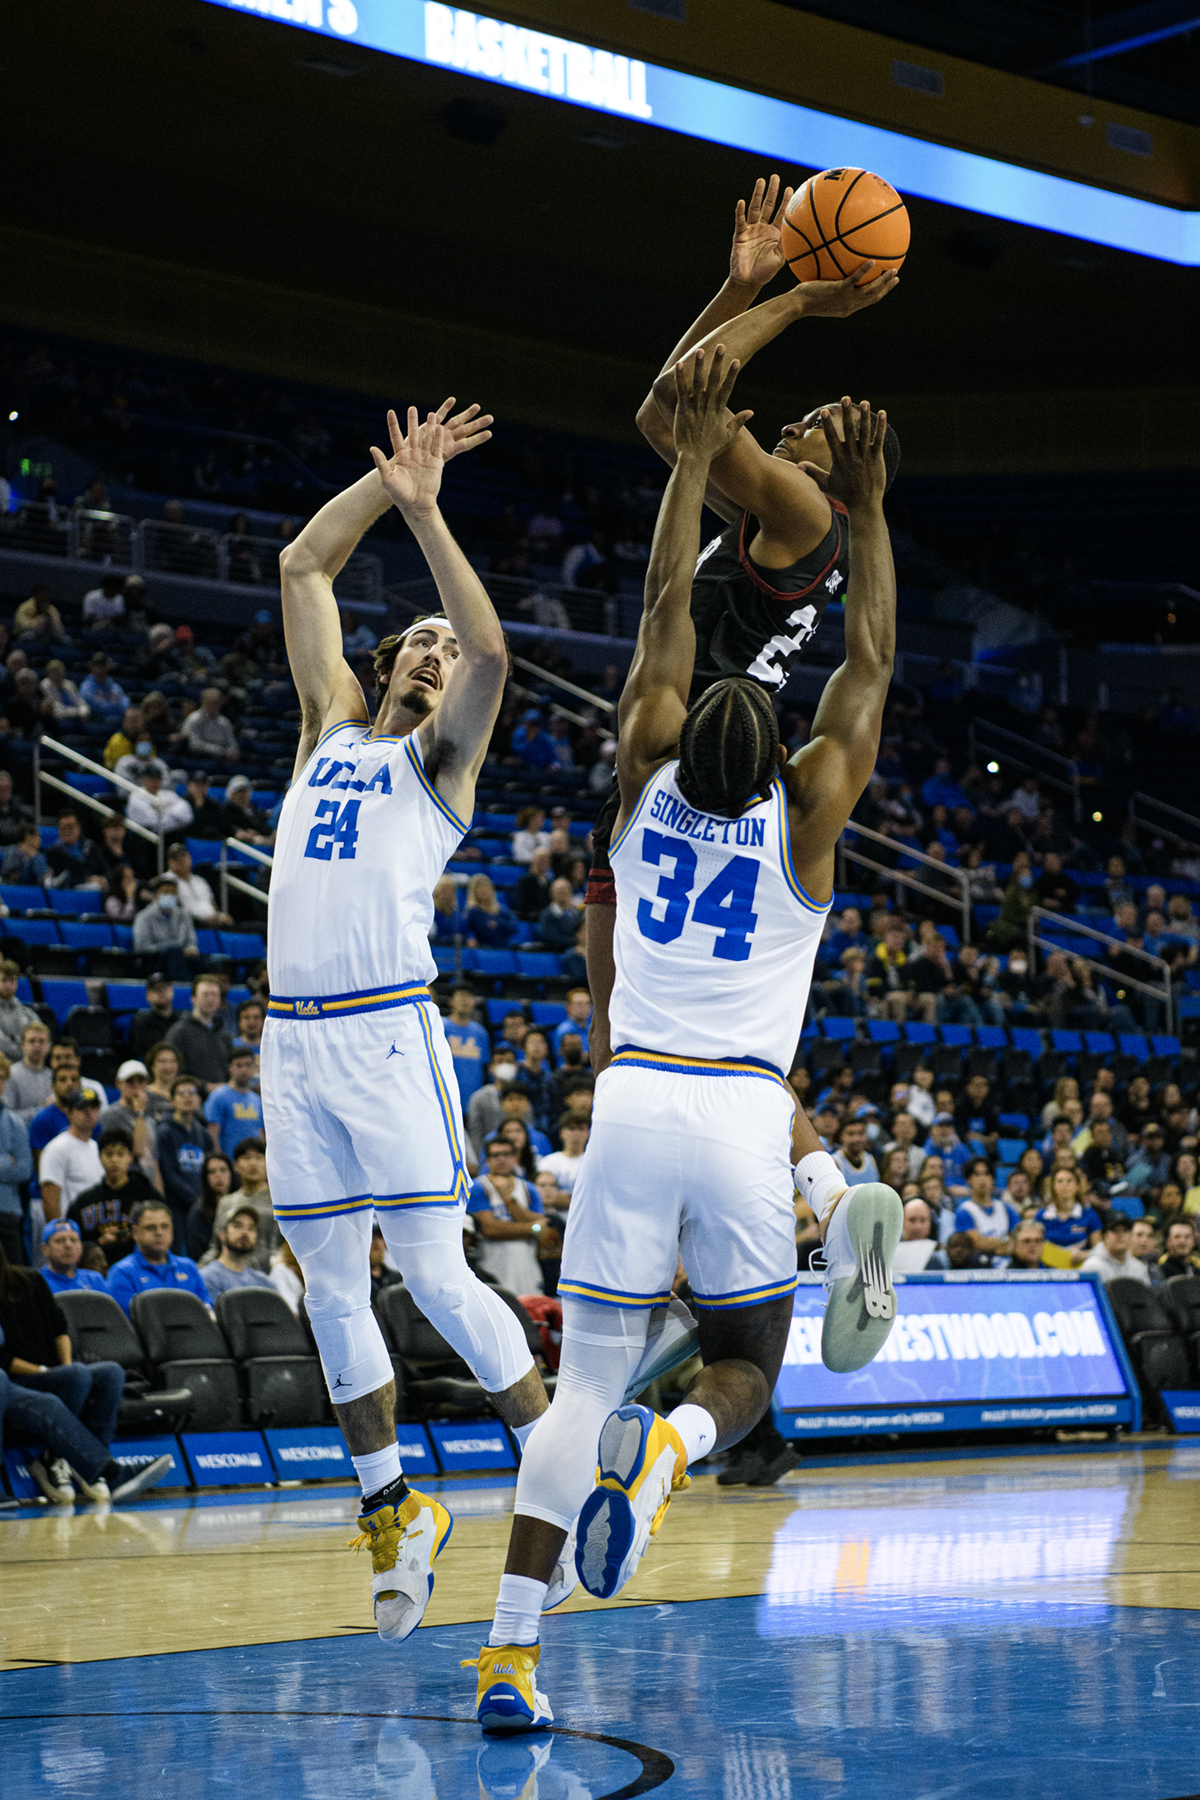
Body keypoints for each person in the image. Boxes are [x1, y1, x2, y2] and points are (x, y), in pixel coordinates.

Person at [467, 360, 902, 1731]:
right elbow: (871, 660)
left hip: (631, 1108)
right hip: (739, 1118)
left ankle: (511, 1657)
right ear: (783, 752)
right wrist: (872, 513)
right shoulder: (810, 821)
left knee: (574, 1390)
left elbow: (666, 612)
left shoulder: (638, 788)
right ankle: (672, 1451)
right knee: (748, 1364)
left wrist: (685, 463)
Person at [264, 398, 551, 1646]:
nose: (437, 651)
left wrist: (432, 519)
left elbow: (494, 653)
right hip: (291, 1039)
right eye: (418, 640)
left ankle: (558, 1455)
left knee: (433, 1276)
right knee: (328, 1282)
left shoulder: (440, 769)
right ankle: (395, 1511)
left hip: (386, 1034)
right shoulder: (325, 728)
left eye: (441, 646)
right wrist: (388, 484)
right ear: (384, 663)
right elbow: (302, 565)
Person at [0, 1242, 170, 1504]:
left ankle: (83, 1460)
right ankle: (105, 1472)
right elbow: (4, 1359)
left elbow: (59, 1327)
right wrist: (51, 1371)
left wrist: (64, 1366)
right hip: (16, 1377)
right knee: (73, 1379)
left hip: (51, 1373)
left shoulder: (30, 1279)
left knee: (111, 1372)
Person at [466, 1137, 555, 1295]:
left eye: (507, 1154)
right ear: (487, 1160)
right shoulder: (478, 1187)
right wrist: (531, 1228)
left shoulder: (529, 1189)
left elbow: (544, 1233)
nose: (501, 1159)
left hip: (526, 1267)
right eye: (495, 1155)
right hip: (492, 1265)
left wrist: (509, 1201)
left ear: (515, 1158)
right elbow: (489, 1230)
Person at [68, 1129, 157, 1270]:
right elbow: (73, 1243)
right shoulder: (84, 1201)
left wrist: (132, 1237)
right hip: (97, 1271)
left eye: (120, 1154)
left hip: (141, 1268)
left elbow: (160, 1236)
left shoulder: (148, 1196)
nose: (114, 1160)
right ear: (100, 1157)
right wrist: (98, 1243)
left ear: (130, 1157)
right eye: (108, 1154)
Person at [106, 1198, 212, 1315]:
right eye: (150, 1228)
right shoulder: (122, 1272)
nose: (159, 1233)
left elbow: (207, 1310)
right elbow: (124, 1323)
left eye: (165, 1226)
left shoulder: (188, 1267)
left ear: (172, 1230)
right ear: (135, 1233)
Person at [154, 1074, 211, 1240]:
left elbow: (208, 1168)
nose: (187, 1097)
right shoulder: (164, 1132)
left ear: (199, 1100)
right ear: (172, 1101)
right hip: (176, 1205)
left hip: (201, 1204)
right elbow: (168, 1172)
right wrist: (195, 1199)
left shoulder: (203, 1133)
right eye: (181, 1093)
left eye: (192, 1093)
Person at [210, 1137, 278, 1269]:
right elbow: (215, 1246)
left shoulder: (278, 1202)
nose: (253, 1163)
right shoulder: (226, 1202)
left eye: (259, 1158)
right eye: (246, 1158)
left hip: (269, 1273)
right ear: (236, 1166)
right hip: (229, 1270)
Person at [38, 1090, 103, 1221]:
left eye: (93, 1107)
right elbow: (50, 1200)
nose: (88, 1112)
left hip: (93, 1229)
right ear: (69, 1113)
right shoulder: (57, 1149)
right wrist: (60, 1232)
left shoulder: (96, 1147)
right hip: (70, 1229)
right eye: (82, 1108)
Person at [165, 974, 234, 1092]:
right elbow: (173, 1072)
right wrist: (205, 1087)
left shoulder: (224, 1036)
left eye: (214, 995)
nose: (210, 999)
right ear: (193, 998)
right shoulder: (179, 1032)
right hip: (191, 1098)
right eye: (205, 994)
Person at [97, 1059, 159, 1183]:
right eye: (130, 1082)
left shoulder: (150, 1116)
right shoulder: (110, 1116)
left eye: (141, 1081)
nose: (137, 1087)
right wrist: (140, 1113)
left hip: (148, 1182)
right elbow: (138, 1149)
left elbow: (153, 1157)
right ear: (118, 1084)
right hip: (127, 1182)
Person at [201, 1205, 276, 1301]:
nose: (245, 1232)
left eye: (251, 1228)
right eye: (238, 1226)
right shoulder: (208, 1278)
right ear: (222, 1234)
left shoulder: (263, 1282)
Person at [132, 874, 199, 980]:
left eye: (173, 893)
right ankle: (182, 988)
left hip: (183, 958)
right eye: (165, 892)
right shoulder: (144, 916)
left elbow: (191, 940)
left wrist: (191, 948)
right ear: (155, 895)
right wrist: (170, 948)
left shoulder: (184, 914)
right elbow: (141, 947)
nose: (169, 896)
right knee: (173, 953)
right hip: (154, 959)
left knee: (212, 962)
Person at [204, 1049, 265, 1159]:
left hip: (253, 1163)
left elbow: (260, 1133)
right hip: (230, 1162)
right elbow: (213, 1134)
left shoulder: (257, 1100)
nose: (244, 1070)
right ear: (230, 1068)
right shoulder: (218, 1096)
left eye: (248, 1065)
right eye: (239, 1065)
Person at [954, 1159, 1019, 1261]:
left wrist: (990, 1244)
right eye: (977, 1174)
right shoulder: (964, 1211)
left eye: (986, 1174)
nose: (982, 1179)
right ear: (968, 1180)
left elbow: (1018, 1240)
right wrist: (1005, 1241)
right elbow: (977, 1243)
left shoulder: (1007, 1209)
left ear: (993, 1179)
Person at [1037, 1165, 1103, 1264]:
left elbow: (1098, 1249)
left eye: (1069, 1181)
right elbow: (1035, 1245)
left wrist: (1087, 1254)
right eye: (1059, 1181)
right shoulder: (1041, 1215)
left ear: (1077, 1186)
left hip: (1079, 1266)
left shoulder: (1090, 1215)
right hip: (1047, 1266)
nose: (1064, 1185)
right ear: (1053, 1186)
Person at [443, 986, 491, 1112]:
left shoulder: (481, 1033)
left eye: (469, 997)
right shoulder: (441, 1027)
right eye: (460, 997)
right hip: (446, 1097)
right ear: (451, 1001)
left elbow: (485, 1066)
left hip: (473, 1101)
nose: (465, 1001)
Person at [166, 842, 234, 929]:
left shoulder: (200, 880)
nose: (181, 861)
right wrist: (203, 920)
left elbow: (213, 904)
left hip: (212, 920)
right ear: (169, 862)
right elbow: (170, 911)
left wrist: (219, 916)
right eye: (176, 859)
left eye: (183, 857)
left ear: (189, 858)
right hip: (189, 924)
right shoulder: (166, 881)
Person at [184, 1150, 236, 1261]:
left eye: (223, 1170)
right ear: (205, 1177)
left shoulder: (241, 1204)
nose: (218, 1176)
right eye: (212, 1172)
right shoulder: (198, 1211)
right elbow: (197, 1253)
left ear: (231, 1173)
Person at [37, 1217, 109, 1295]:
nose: (68, 1245)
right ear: (45, 1249)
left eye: (73, 1240)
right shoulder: (36, 1283)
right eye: (60, 1241)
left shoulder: (94, 1280)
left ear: (81, 1246)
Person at [4, 1020, 53, 1124]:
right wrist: (39, 1111)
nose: (37, 1046)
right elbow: (5, 1116)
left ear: (48, 1046)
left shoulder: (54, 1077)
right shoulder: (11, 1075)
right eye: (32, 1041)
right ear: (23, 1045)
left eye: (41, 1041)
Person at [1081, 1212, 1150, 1287]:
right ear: (1104, 1236)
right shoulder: (1092, 1267)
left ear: (1130, 1235)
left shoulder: (1139, 1268)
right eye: (1115, 1231)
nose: (1120, 1235)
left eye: (1125, 1230)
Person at [129, 976, 185, 1064]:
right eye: (155, 989)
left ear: (172, 991)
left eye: (165, 987)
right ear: (147, 995)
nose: (161, 991)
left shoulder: (182, 1020)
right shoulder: (142, 1021)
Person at [126, 766, 193, 837]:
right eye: (151, 779)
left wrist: (160, 809)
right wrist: (169, 808)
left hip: (170, 834)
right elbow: (151, 820)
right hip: (144, 836)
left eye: (157, 779)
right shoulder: (136, 795)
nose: (154, 783)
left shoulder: (169, 794)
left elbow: (187, 816)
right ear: (144, 780)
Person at [179, 687, 240, 762]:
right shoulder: (194, 719)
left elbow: (231, 743)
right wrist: (220, 751)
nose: (215, 706)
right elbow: (194, 744)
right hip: (199, 759)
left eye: (217, 703)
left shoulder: (224, 722)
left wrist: (232, 752)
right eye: (211, 703)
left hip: (222, 759)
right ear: (203, 702)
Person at [0, 959, 38, 1064]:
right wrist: (26, 1050)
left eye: (12, 980)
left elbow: (39, 1037)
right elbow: (2, 1044)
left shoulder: (28, 1012)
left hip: (27, 1065)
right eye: (4, 980)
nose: (9, 984)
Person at [538, 878, 583, 955]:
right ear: (552, 894)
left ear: (570, 892)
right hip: (560, 952)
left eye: (565, 891)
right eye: (559, 892)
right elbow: (550, 937)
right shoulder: (548, 914)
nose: (563, 894)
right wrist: (576, 941)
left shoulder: (577, 912)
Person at [832, 1115, 880, 1188]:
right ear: (841, 1136)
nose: (856, 1139)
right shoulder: (835, 1162)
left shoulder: (870, 1159)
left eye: (860, 1133)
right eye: (851, 1134)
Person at [2, 823, 50, 887]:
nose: (40, 840)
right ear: (28, 837)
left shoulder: (38, 853)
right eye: (37, 836)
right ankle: (48, 881)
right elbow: (8, 871)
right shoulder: (13, 849)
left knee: (39, 856)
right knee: (38, 857)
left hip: (32, 883)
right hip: (14, 882)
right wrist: (29, 857)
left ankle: (48, 880)